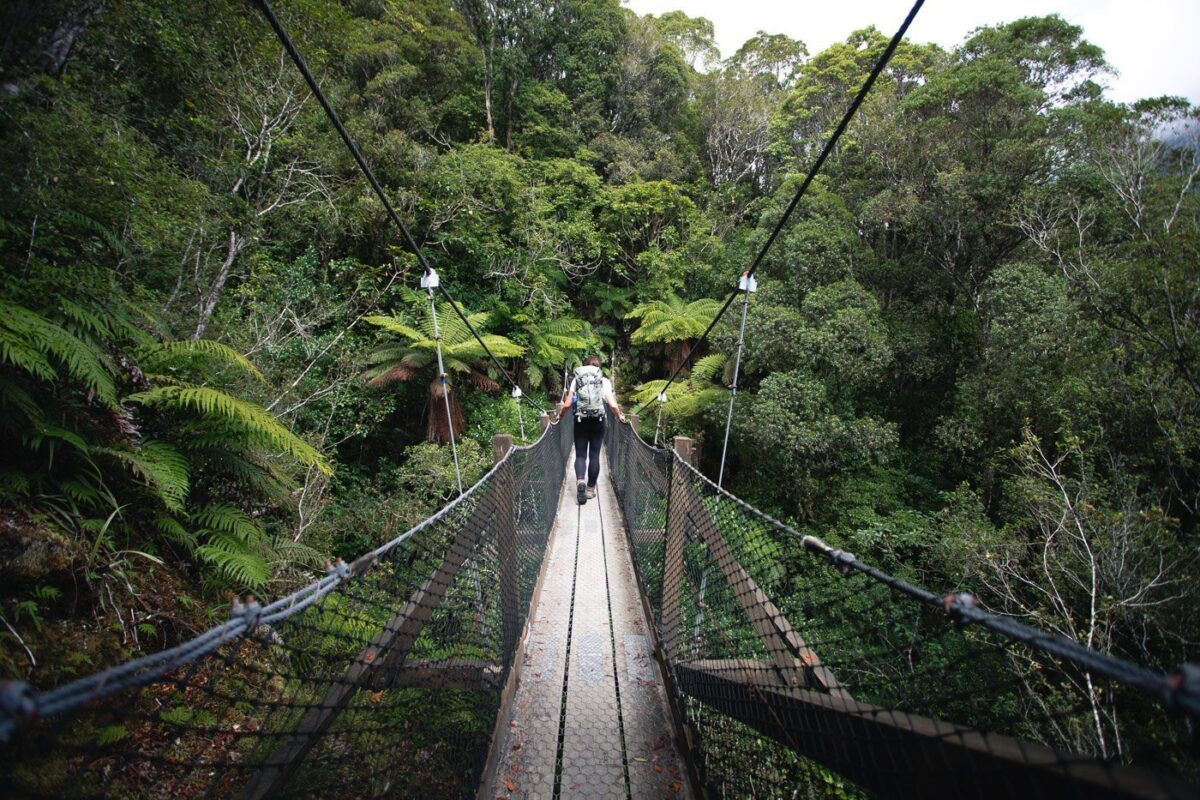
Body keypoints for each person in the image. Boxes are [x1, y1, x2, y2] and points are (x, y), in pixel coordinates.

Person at [560, 355, 625, 505]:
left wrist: (560, 416)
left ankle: (580, 481)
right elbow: (613, 405)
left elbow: (568, 404)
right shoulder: (604, 381)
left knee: (581, 455)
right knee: (595, 455)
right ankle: (590, 490)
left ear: (584, 366)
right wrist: (620, 416)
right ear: (599, 368)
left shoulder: (577, 380)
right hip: (598, 420)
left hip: (580, 420)